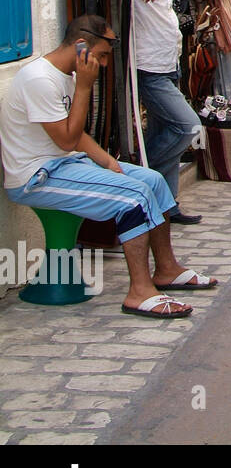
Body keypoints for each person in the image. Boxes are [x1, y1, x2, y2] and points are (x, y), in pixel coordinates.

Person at [0, 16, 217, 318]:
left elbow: (74, 134)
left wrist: (107, 161)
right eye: (101, 56)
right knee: (134, 196)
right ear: (80, 47)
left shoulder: (66, 74)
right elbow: (66, 138)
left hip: (65, 165)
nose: (103, 64)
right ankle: (139, 292)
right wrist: (85, 89)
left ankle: (166, 269)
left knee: (152, 180)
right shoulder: (40, 78)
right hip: (35, 177)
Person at [110, 0, 203, 225]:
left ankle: (167, 206)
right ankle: (135, 177)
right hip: (148, 67)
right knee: (187, 127)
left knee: (167, 131)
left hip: (169, 61)